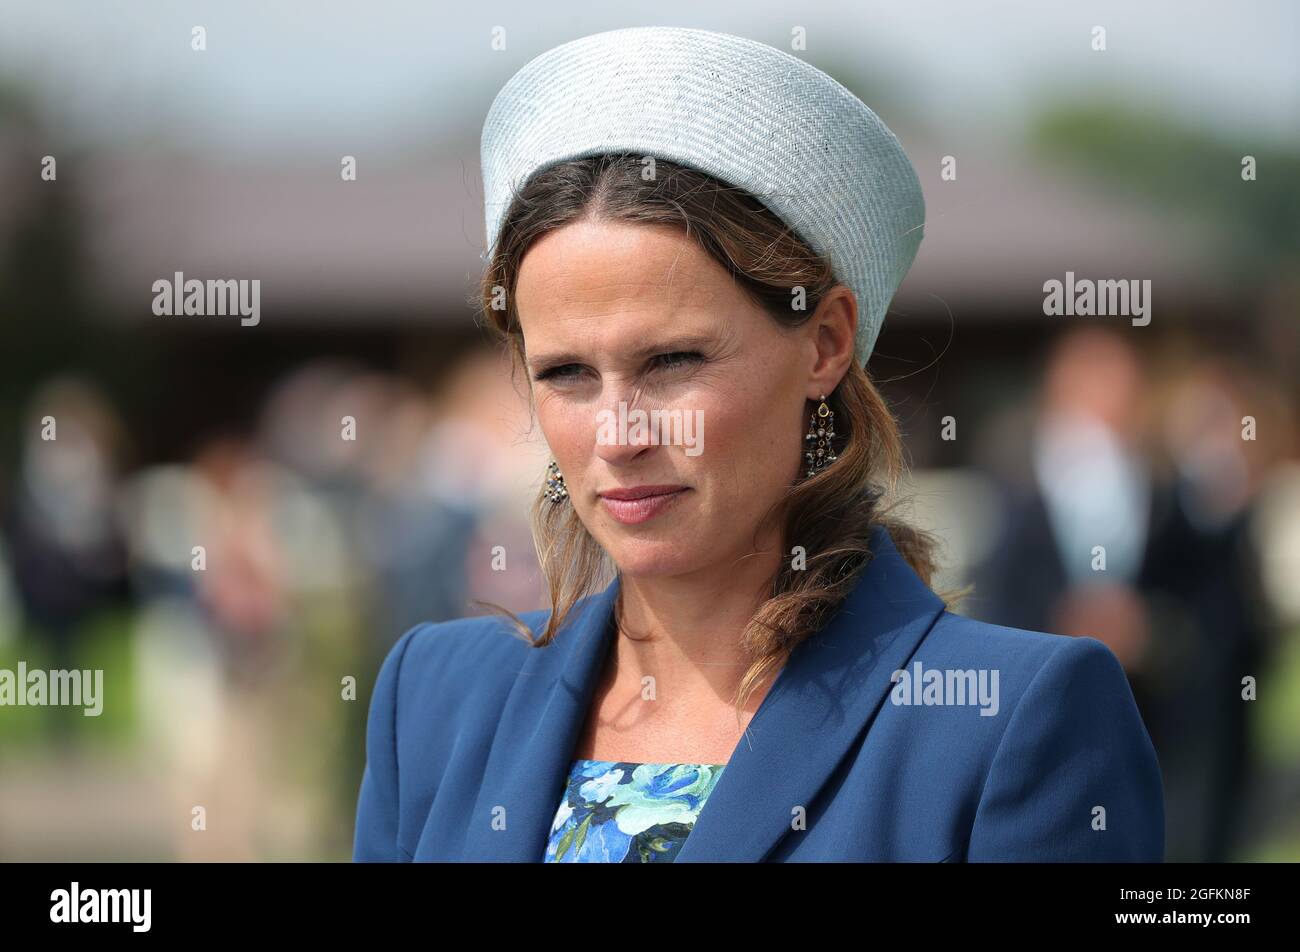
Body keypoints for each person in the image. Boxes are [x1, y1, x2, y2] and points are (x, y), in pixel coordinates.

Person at [353, 26, 1164, 863]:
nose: (618, 434)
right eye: (565, 373)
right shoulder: (438, 696)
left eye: (672, 361)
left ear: (825, 344)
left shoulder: (1008, 719)